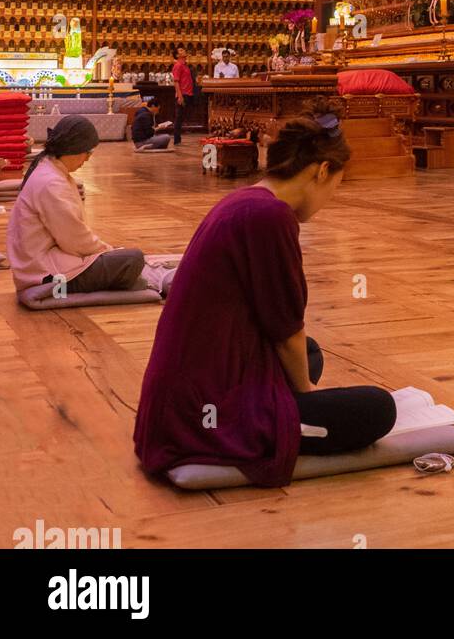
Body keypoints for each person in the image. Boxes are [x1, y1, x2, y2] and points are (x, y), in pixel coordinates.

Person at [134, 117, 397, 487]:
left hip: (182, 393)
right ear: (322, 171)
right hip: (204, 412)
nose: (330, 199)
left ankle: (290, 406)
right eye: (336, 186)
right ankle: (283, 420)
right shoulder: (270, 217)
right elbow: (285, 327)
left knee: (311, 353)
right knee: (378, 409)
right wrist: (305, 399)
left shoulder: (246, 200)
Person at [7, 116, 147, 295]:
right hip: (48, 276)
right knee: (133, 259)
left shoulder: (48, 169)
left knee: (122, 258)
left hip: (41, 265)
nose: (88, 159)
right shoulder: (51, 183)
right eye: (89, 152)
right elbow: (74, 240)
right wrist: (106, 251)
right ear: (75, 149)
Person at [171, 44, 194, 146]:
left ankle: (178, 139)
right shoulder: (178, 65)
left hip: (188, 93)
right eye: (180, 50)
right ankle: (176, 140)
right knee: (179, 118)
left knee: (182, 117)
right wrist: (179, 96)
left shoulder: (185, 65)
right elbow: (176, 82)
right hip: (182, 94)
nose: (183, 50)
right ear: (177, 55)